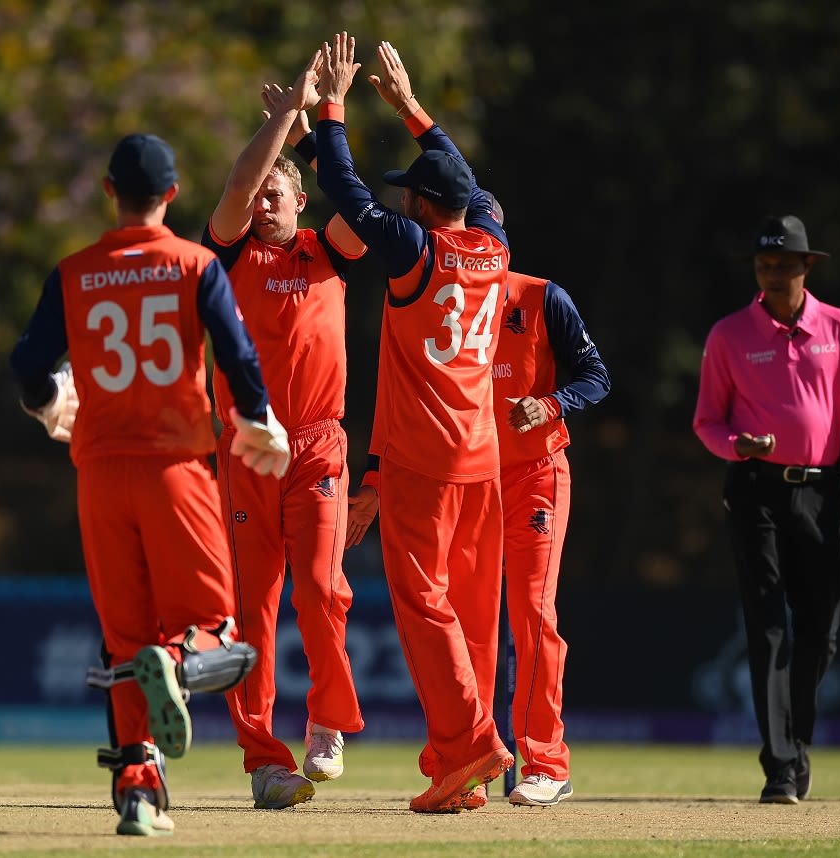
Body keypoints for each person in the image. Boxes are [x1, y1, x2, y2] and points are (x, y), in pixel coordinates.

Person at [10, 132, 289, 836]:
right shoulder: (195, 264)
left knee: (122, 642)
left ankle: (138, 792)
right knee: (216, 633)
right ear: (171, 194)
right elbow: (237, 351)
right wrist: (257, 418)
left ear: (109, 193)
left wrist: (49, 402)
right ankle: (172, 661)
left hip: (100, 474)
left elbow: (28, 366)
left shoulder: (73, 272)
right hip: (175, 467)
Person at [347, 194, 611, 810]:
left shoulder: (542, 297)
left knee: (532, 613)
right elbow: (401, 396)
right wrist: (379, 479)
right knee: (464, 625)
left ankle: (546, 760)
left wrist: (549, 404)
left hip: (536, 475)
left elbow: (596, 376)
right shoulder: (434, 289)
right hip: (472, 481)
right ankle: (471, 763)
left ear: (492, 238)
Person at [313, 34, 514, 813]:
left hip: (427, 464)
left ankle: (471, 748)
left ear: (424, 207)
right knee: (464, 613)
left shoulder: (415, 251)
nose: (401, 204)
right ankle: (456, 770)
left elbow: (344, 190)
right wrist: (410, 109)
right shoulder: (494, 245)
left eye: (411, 196)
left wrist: (331, 107)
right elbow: (469, 183)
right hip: (482, 460)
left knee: (424, 607)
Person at [201, 57, 368, 809]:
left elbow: (360, 206)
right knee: (254, 604)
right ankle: (266, 760)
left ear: (300, 197)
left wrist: (313, 130)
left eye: (279, 191)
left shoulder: (327, 249)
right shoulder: (233, 251)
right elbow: (237, 188)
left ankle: (327, 723)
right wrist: (280, 124)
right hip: (247, 444)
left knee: (324, 590)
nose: (264, 198)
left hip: (318, 443)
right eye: (262, 190)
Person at [693, 214, 840, 804]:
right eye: (763, 265)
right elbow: (708, 421)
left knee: (821, 632)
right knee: (767, 625)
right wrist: (735, 446)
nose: (772, 274)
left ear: (807, 267)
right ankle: (779, 766)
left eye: (783, 265)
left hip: (821, 492)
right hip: (754, 489)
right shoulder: (729, 335)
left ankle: (796, 741)